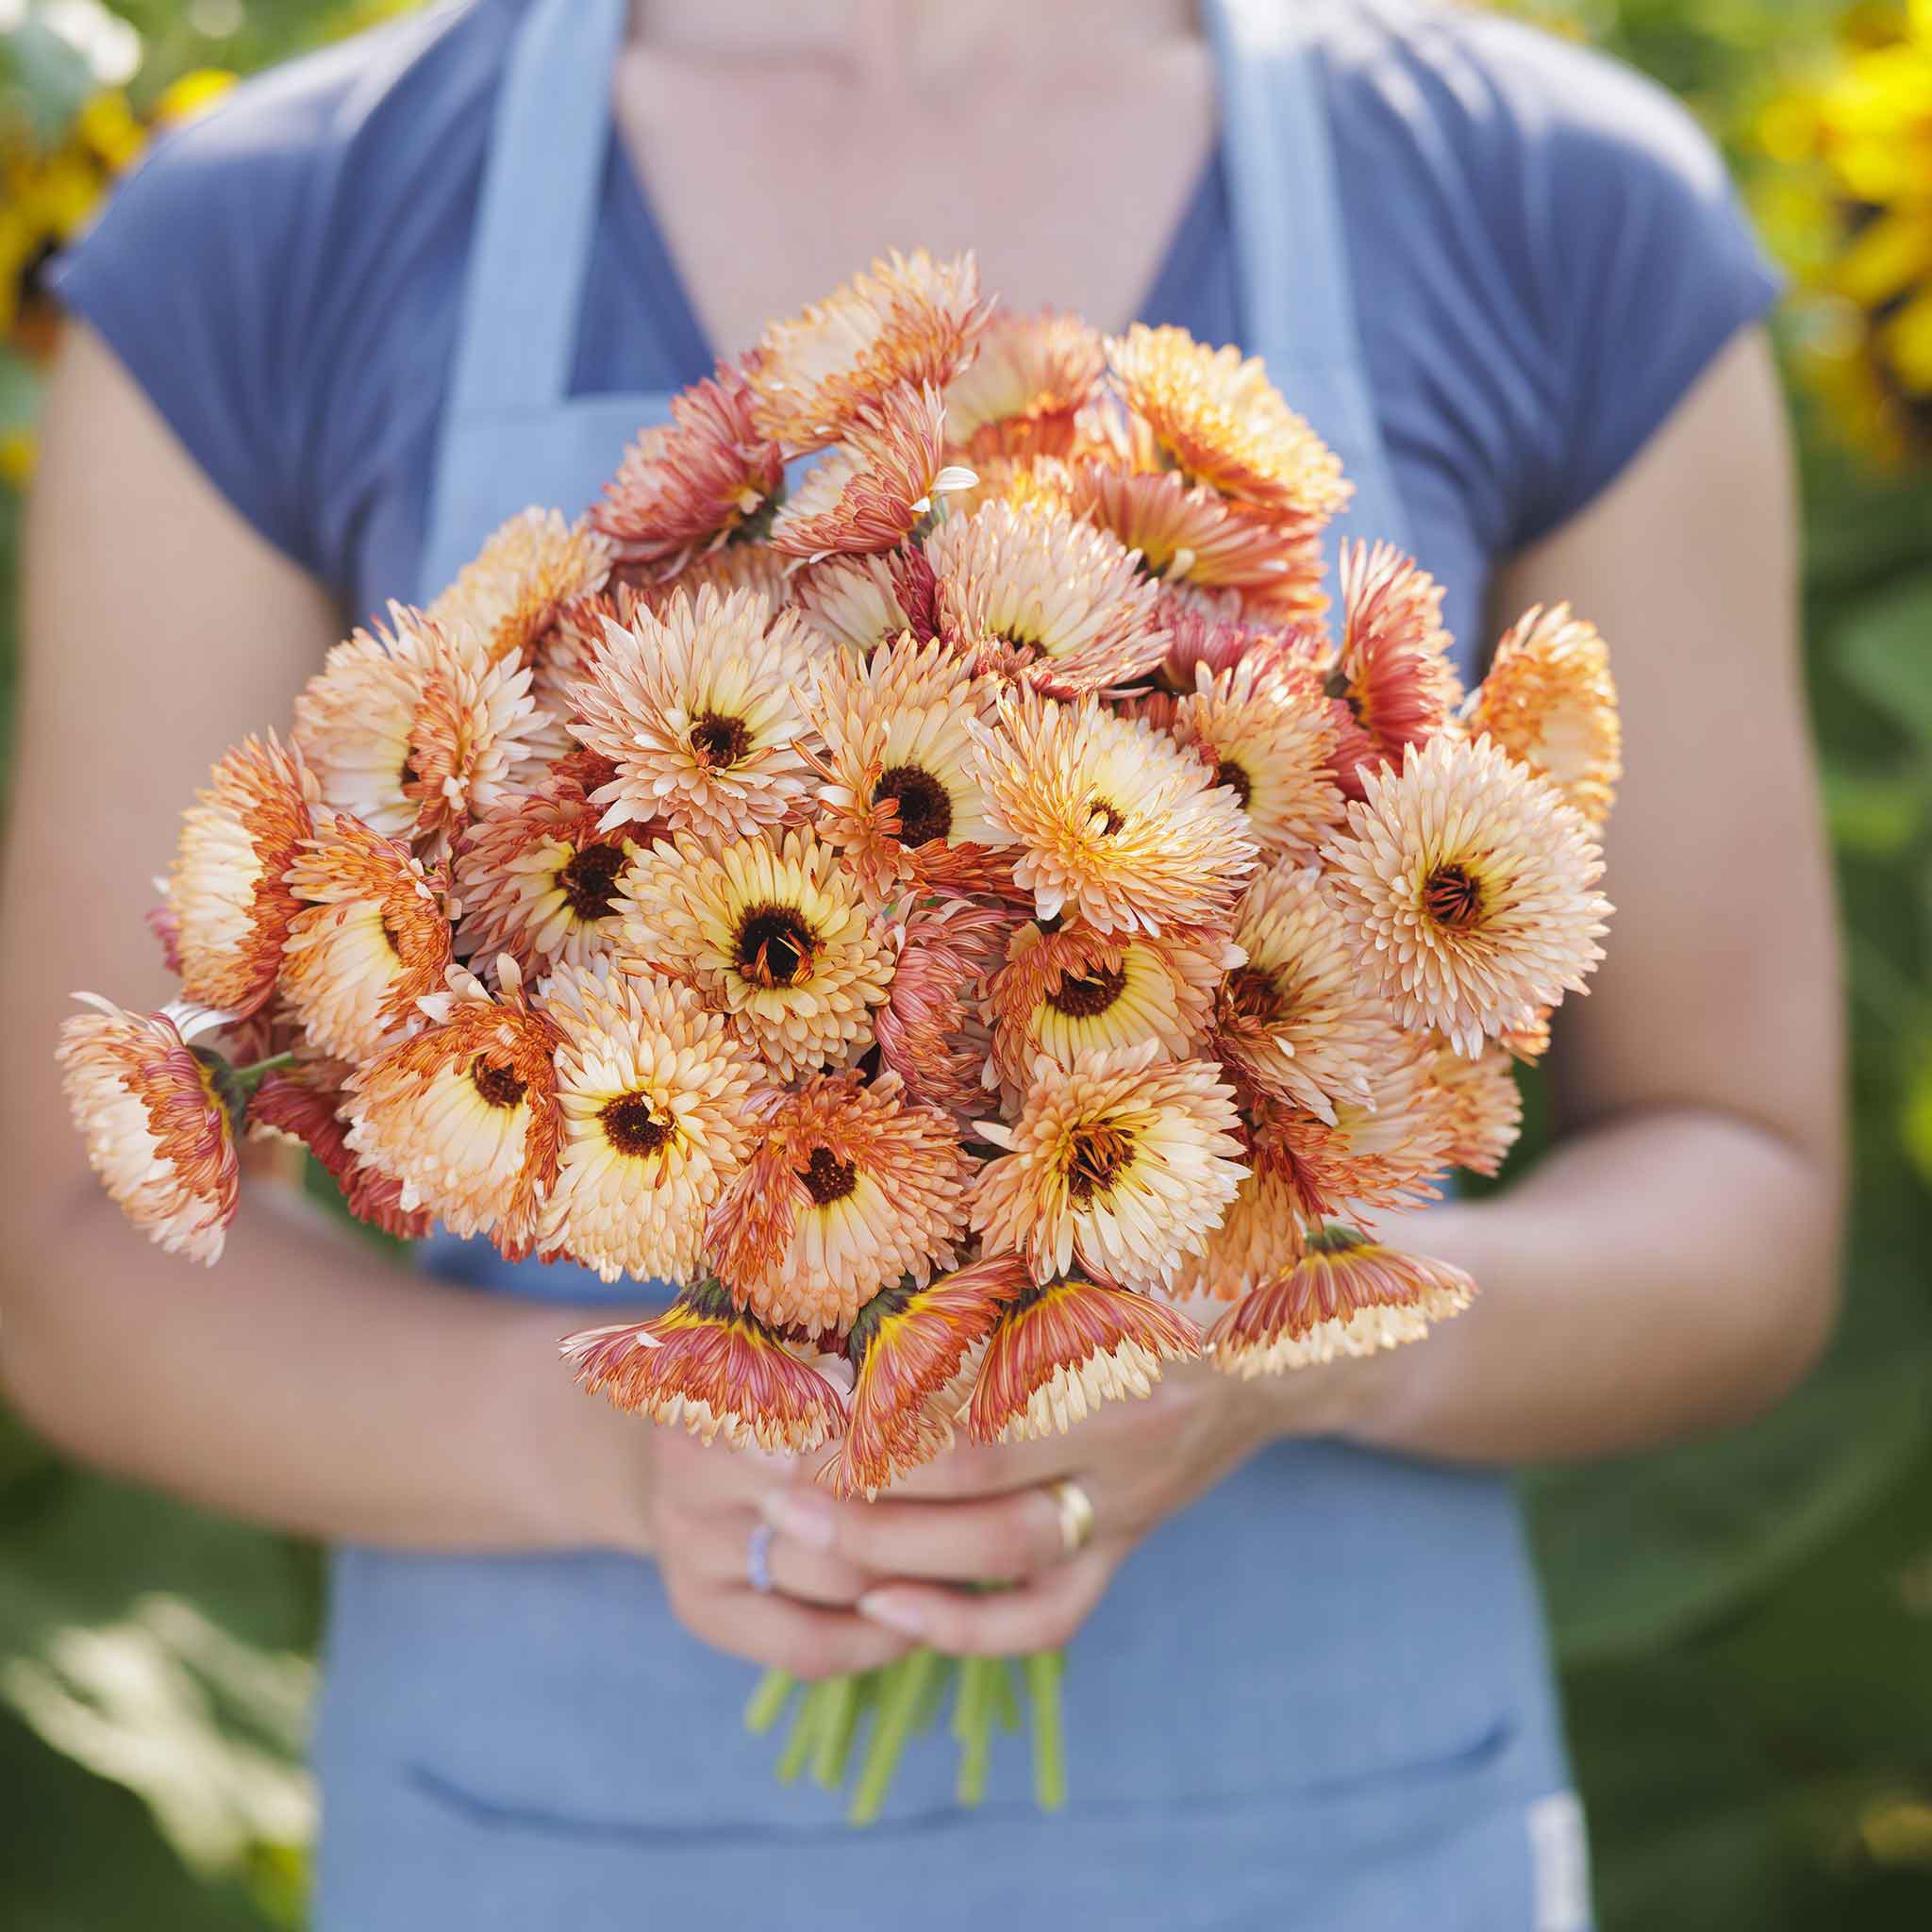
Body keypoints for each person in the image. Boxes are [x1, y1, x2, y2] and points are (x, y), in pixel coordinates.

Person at [0, 1, 1843, 1925]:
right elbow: (81, 1243)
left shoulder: (1552, 202)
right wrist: (616, 1452)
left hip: (1335, 1852)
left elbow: (1748, 1187)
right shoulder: (271, 227)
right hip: (554, 1853)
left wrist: (1285, 1354)